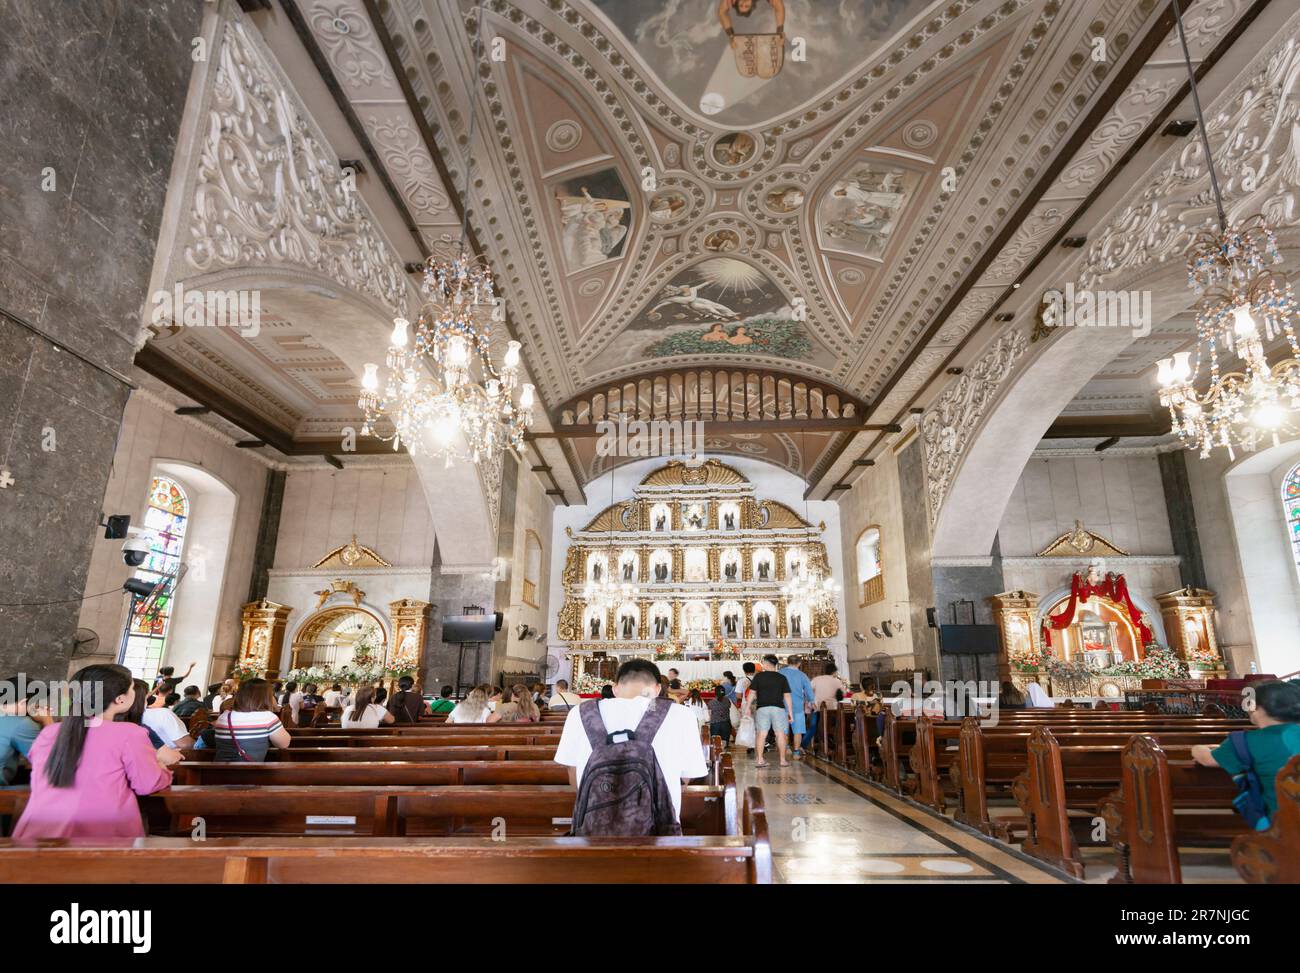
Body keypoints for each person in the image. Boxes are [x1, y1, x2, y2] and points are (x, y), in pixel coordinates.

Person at [12, 664, 179, 839]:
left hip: (38, 834)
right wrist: (161, 768)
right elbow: (147, 784)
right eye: (132, 688)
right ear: (120, 699)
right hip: (102, 836)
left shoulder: (50, 731)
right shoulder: (130, 733)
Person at [554, 659, 707, 831]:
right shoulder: (682, 715)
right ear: (657, 689)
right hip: (658, 832)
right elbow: (686, 776)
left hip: (593, 828)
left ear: (615, 688)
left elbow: (572, 772)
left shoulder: (580, 713)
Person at [1192, 680, 1300, 827]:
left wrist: (1198, 748)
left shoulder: (1243, 741)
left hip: (1282, 829)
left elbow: (1206, 759)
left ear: (1259, 709)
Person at [213, 678, 291, 762]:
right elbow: (284, 744)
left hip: (219, 771)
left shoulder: (224, 717)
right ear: (266, 697)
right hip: (249, 773)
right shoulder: (268, 718)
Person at [0, 675, 53, 786]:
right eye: (36, 704)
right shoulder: (21, 724)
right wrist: (47, 720)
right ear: (23, 702)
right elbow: (52, 761)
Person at [748, 655, 793, 768]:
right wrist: (790, 713)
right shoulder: (782, 677)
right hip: (778, 708)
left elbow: (752, 693)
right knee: (780, 734)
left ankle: (760, 760)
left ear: (766, 664)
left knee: (761, 734)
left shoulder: (759, 677)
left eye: (763, 663)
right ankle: (782, 760)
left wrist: (747, 707)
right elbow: (787, 696)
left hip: (762, 708)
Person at [779, 658, 816, 757]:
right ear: (799, 663)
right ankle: (796, 752)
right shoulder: (802, 675)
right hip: (798, 706)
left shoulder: (780, 673)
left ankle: (786, 748)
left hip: (782, 706)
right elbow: (809, 690)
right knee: (798, 731)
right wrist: (812, 701)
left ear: (787, 662)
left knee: (783, 730)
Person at [808, 661, 845, 751]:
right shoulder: (837, 681)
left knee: (815, 724)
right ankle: (829, 738)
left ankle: (816, 739)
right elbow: (841, 695)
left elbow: (808, 691)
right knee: (831, 724)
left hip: (817, 707)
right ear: (834, 672)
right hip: (831, 708)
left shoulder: (816, 679)